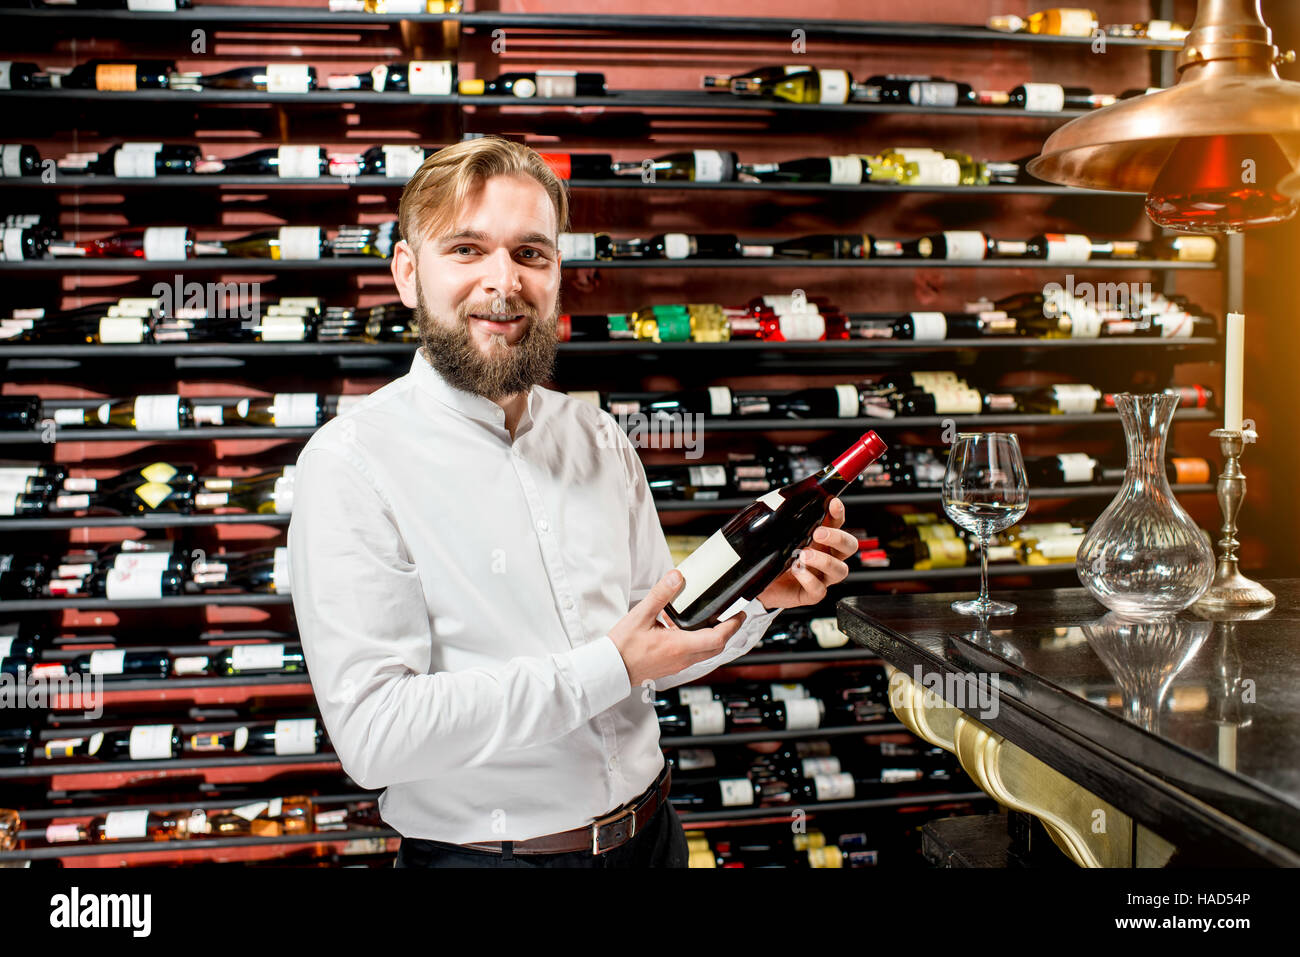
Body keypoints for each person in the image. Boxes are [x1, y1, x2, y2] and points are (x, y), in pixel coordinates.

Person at [287, 135, 858, 868]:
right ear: (407, 273)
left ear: (558, 273)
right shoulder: (351, 463)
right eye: (467, 249)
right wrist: (608, 667)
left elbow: (657, 643)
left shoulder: (596, 435)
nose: (505, 281)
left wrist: (759, 597)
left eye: (531, 253)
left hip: (653, 841)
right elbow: (376, 734)